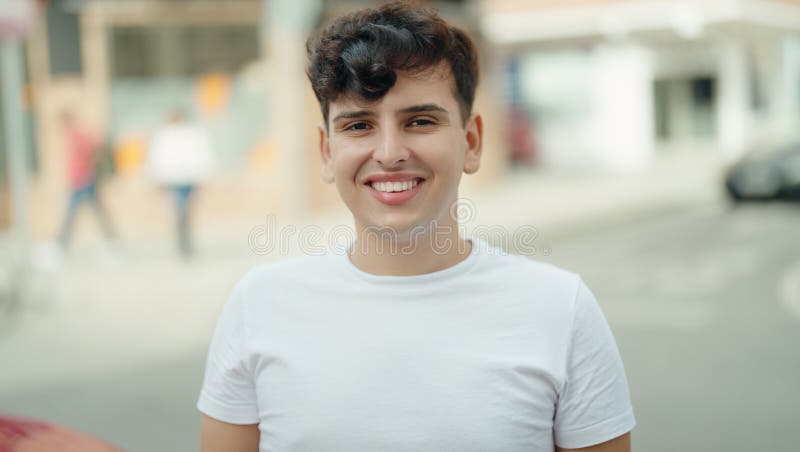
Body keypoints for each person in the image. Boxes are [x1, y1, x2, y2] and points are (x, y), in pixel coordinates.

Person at [197, 3, 635, 452]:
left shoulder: (560, 310)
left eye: (420, 121)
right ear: (327, 152)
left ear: (471, 141)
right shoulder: (259, 307)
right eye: (359, 125)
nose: (389, 153)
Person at [147, 109, 215, 259]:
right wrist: (158, 178)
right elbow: (158, 157)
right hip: (173, 179)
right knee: (179, 211)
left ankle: (186, 241)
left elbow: (200, 155)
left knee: (187, 211)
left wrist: (203, 175)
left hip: (190, 178)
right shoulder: (165, 135)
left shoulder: (192, 133)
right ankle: (183, 243)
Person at [57, 111, 116, 251]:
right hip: (81, 179)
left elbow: (92, 150)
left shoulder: (77, 135)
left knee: (71, 213)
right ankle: (112, 239)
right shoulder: (74, 134)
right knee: (96, 211)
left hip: (83, 180)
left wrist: (86, 165)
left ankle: (61, 243)